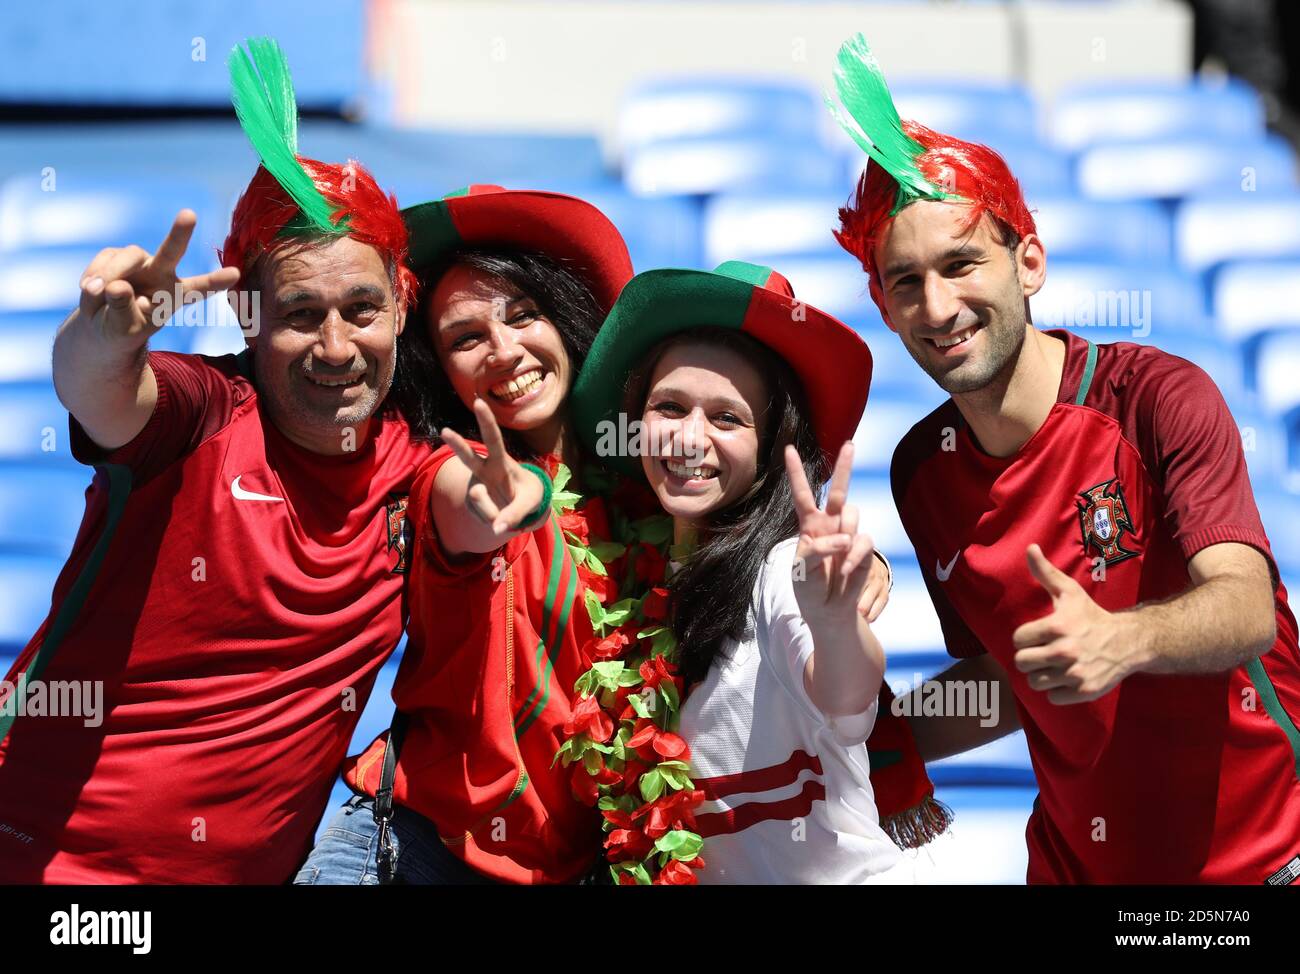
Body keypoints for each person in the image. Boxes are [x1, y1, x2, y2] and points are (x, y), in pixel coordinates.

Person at [828, 33, 1300, 883]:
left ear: (1029, 263)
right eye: (905, 282)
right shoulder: (921, 470)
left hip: (1261, 863)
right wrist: (868, 743)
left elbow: (1246, 606)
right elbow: (1014, 681)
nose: (939, 306)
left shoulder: (1158, 397)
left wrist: (1122, 638)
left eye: (962, 262)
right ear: (884, 307)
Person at [0, 38, 429, 884]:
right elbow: (99, 392)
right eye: (301, 312)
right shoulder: (200, 413)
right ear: (246, 315)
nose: (336, 346)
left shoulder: (423, 461)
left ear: (402, 306)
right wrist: (104, 337)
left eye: (362, 307)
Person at [296, 186, 646, 885]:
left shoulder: (647, 490)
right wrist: (502, 504)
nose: (505, 351)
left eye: (524, 316)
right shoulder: (440, 478)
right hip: (411, 854)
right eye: (465, 338)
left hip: (578, 866)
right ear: (441, 370)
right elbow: (467, 510)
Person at [564, 260, 932, 884]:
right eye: (669, 407)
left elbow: (845, 700)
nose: (687, 438)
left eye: (727, 418)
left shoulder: (782, 569)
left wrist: (836, 621)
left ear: (770, 446)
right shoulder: (630, 582)